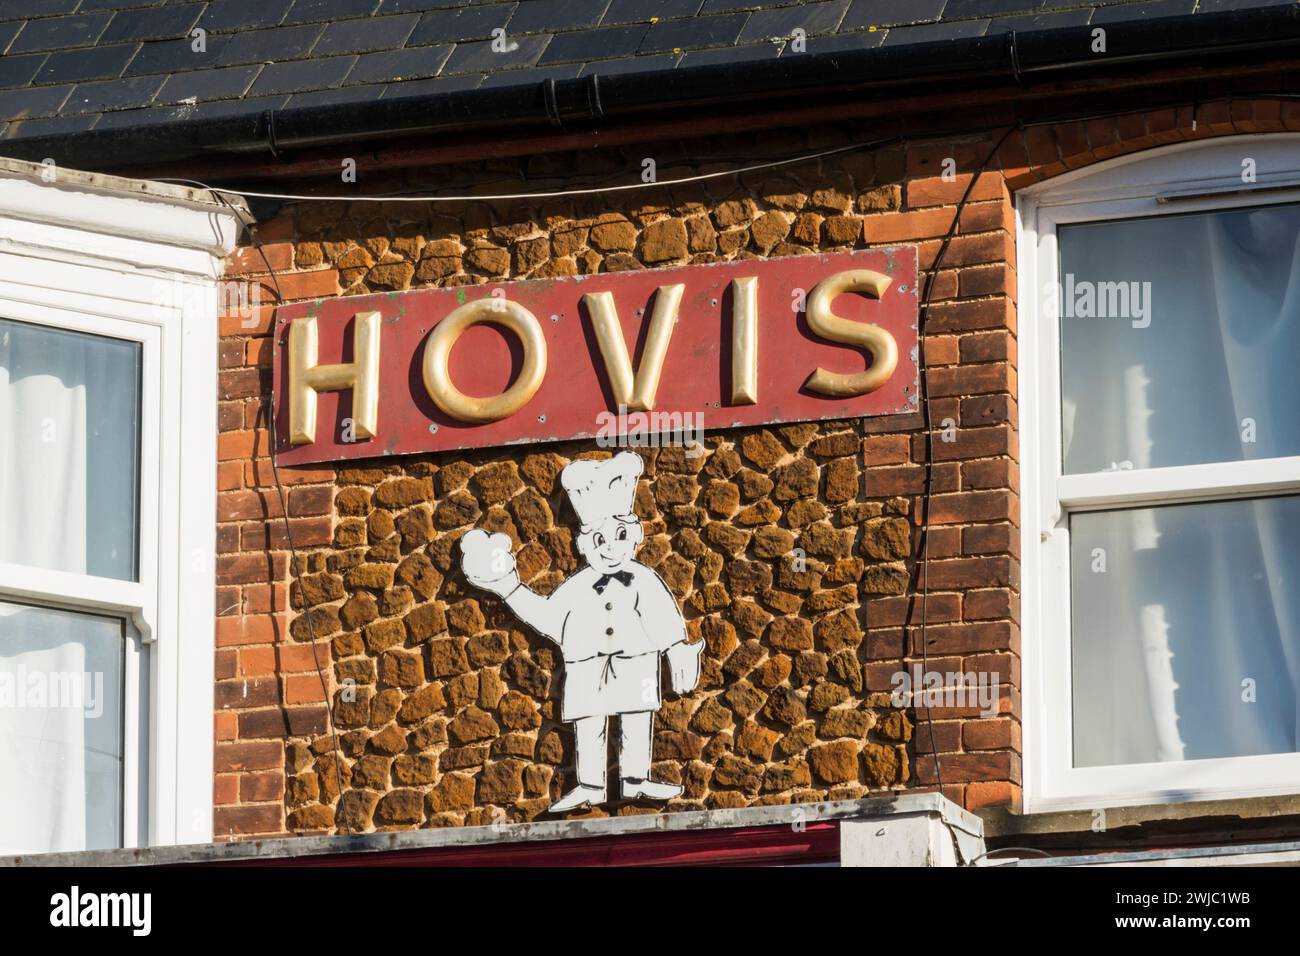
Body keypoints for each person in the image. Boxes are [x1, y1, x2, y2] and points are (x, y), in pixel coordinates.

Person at [460, 451, 704, 812]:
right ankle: (590, 785)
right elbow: (547, 617)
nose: (610, 548)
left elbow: (663, 616)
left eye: (618, 536)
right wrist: (508, 588)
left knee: (637, 716)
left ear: (632, 536)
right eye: (600, 540)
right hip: (587, 665)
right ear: (587, 543)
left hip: (635, 661)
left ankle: (636, 778)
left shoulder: (644, 579)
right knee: (590, 722)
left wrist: (677, 652)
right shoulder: (577, 586)